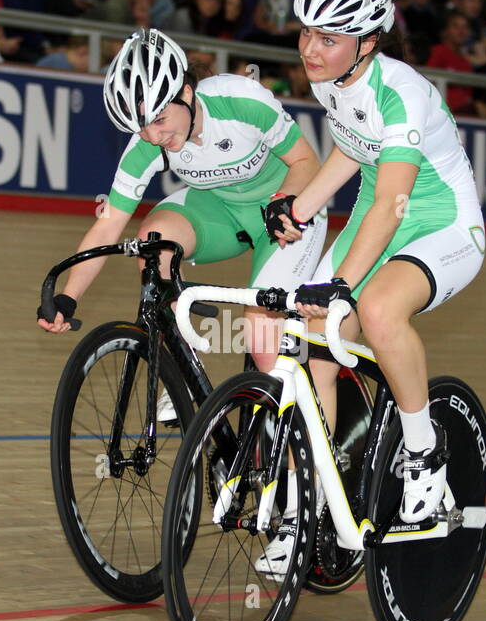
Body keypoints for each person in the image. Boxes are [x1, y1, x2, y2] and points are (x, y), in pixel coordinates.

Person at [258, 0, 486, 573]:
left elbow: (393, 203)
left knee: (378, 310)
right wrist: (300, 209)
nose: (311, 48)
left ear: (367, 41)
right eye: (306, 32)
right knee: (312, 350)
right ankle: (302, 512)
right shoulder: (333, 79)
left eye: (328, 38)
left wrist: (341, 283)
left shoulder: (401, 91)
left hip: (438, 223)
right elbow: (353, 151)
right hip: (377, 215)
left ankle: (425, 465)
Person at [38, 27, 328, 401]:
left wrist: (285, 201)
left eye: (159, 121)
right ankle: (184, 374)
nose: (154, 137)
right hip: (220, 211)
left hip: (287, 210)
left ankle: (293, 440)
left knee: (260, 329)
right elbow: (109, 223)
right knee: (151, 244)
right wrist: (69, 297)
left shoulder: (240, 101)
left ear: (187, 93)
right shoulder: (146, 143)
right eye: (141, 128)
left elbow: (308, 162)